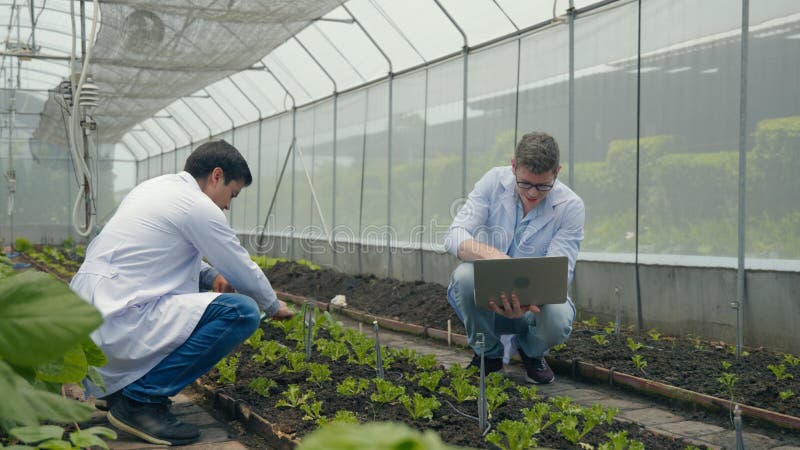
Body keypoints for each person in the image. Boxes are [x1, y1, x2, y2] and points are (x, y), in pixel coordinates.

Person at [70, 140, 293, 446]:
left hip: (93, 315)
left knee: (198, 309)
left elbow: (160, 253)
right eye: (233, 193)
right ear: (217, 176)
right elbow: (240, 266)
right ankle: (140, 402)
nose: (228, 205)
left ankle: (119, 392)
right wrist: (271, 305)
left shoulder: (154, 189)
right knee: (241, 312)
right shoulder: (197, 207)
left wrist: (211, 275)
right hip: (121, 315)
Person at [444, 132, 584, 384]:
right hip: (489, 302)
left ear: (557, 172)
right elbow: (454, 235)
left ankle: (532, 352)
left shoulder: (570, 206)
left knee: (559, 316)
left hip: (533, 307)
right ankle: (488, 354)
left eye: (542, 186)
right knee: (465, 277)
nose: (532, 193)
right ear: (513, 166)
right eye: (525, 183)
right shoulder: (493, 182)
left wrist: (525, 300)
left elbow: (559, 273)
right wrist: (495, 257)